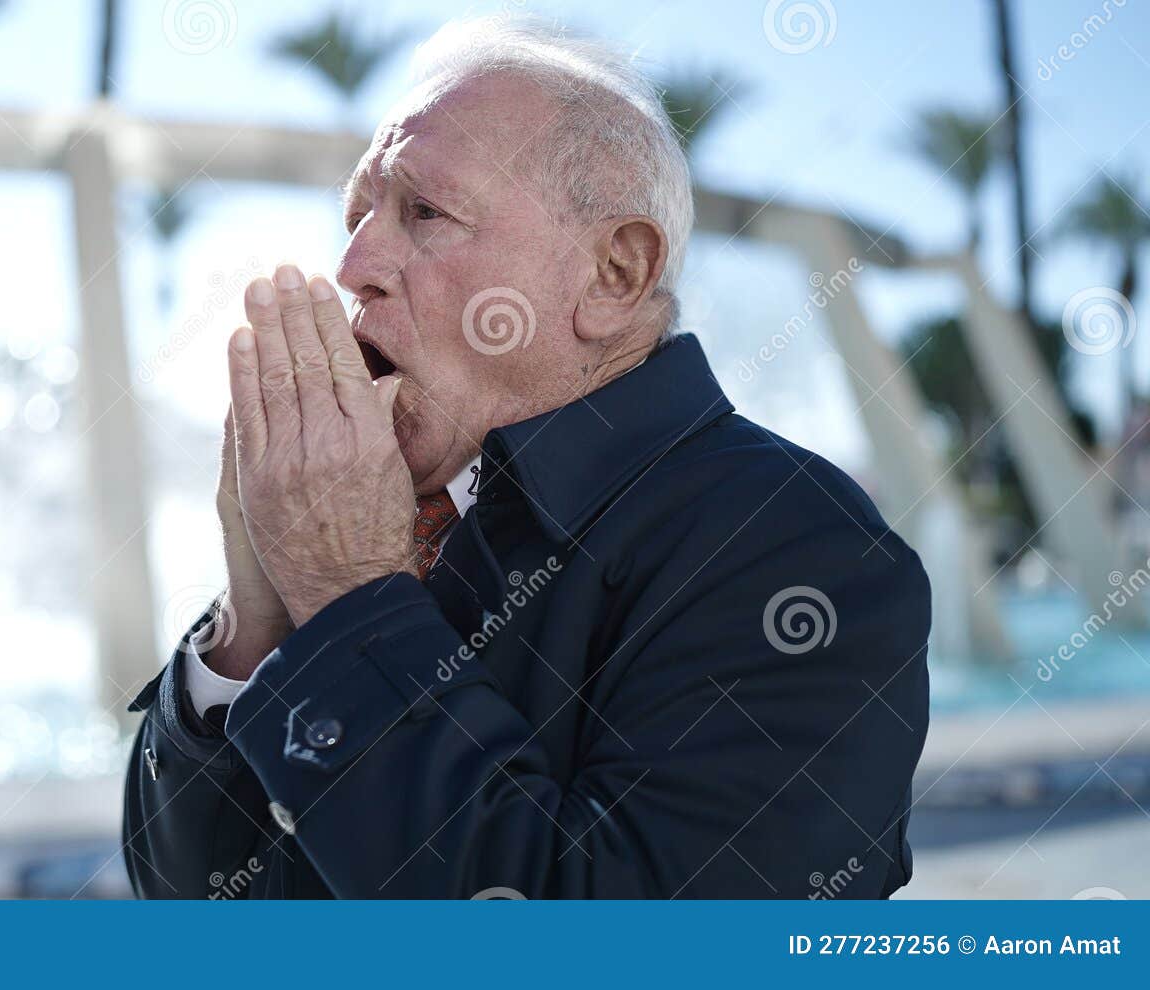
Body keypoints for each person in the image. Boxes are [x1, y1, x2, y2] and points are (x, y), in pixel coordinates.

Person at [122, 18, 929, 899]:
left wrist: (349, 596)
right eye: (357, 218)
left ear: (615, 272)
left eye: (424, 212)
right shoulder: (392, 518)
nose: (354, 265)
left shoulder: (800, 549)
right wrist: (258, 620)